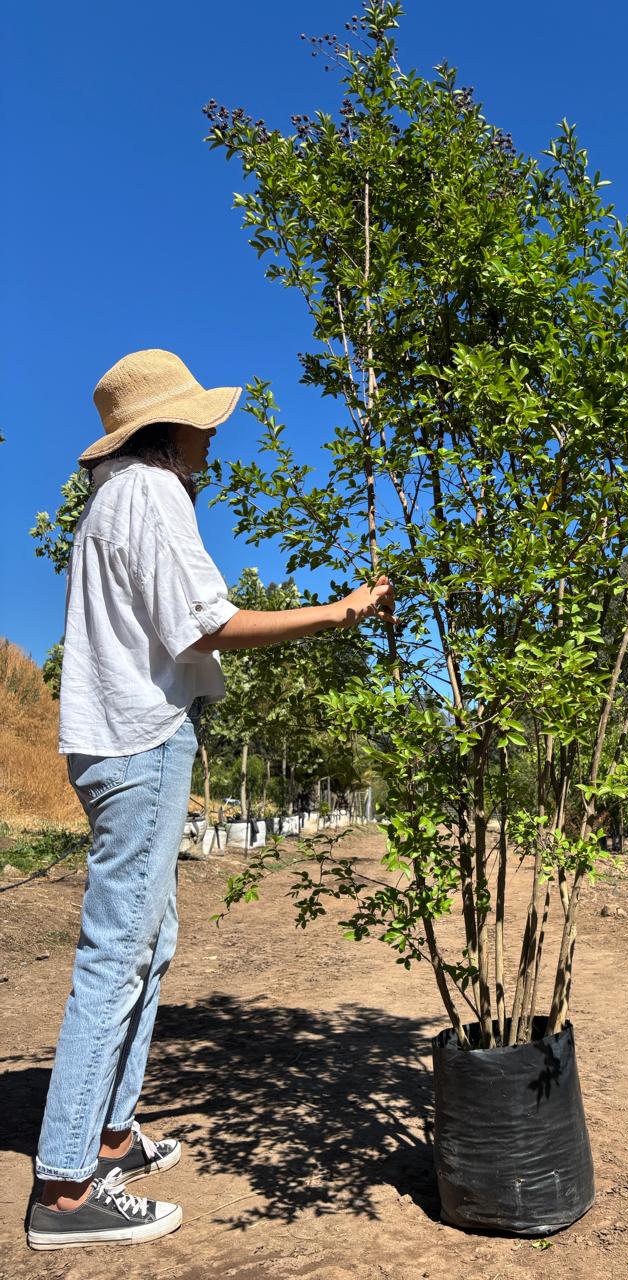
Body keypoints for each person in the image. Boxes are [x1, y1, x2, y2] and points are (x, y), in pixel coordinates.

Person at [27, 349, 394, 1250]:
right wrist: (340, 614)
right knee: (118, 955)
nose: (211, 436)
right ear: (168, 428)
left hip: (115, 740)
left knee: (149, 944)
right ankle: (66, 1189)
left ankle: (110, 1135)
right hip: (140, 743)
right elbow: (210, 623)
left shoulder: (109, 504)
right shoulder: (148, 494)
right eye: (202, 421)